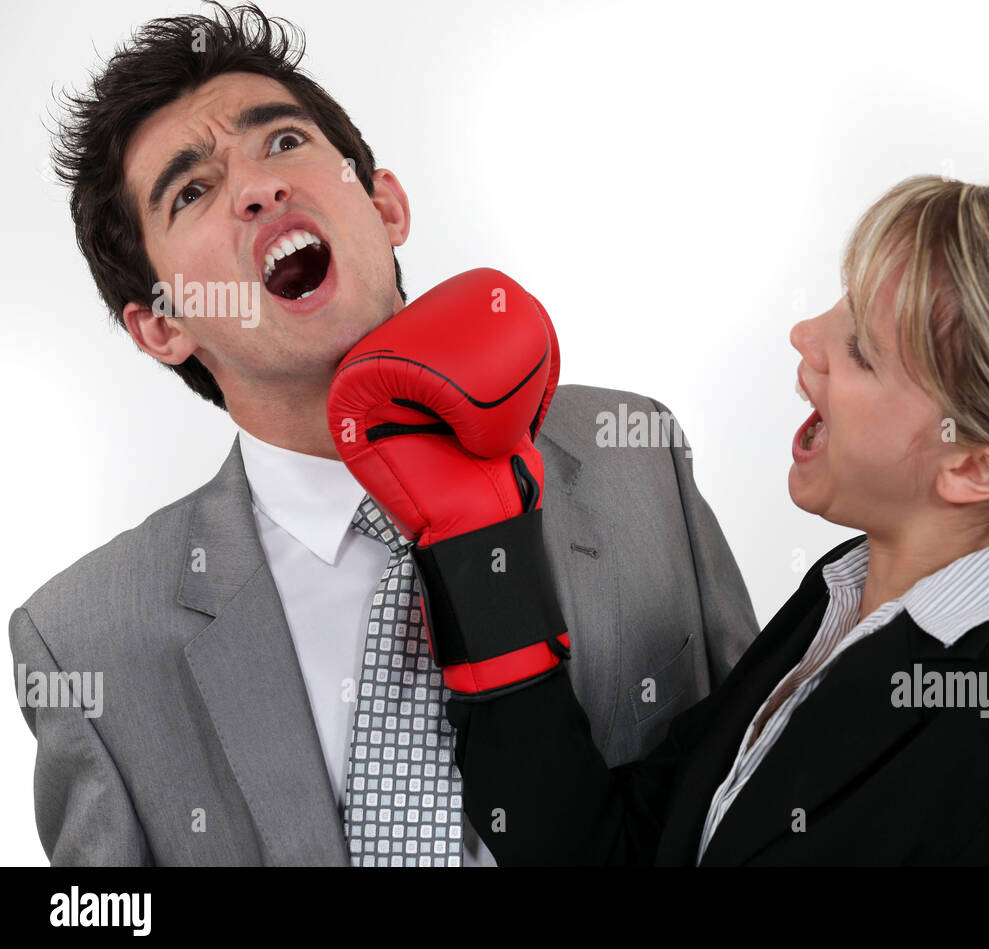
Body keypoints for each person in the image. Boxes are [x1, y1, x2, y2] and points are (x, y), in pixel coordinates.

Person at [8, 3, 758, 866]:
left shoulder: (636, 458)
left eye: (283, 142)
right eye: (193, 191)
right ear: (162, 328)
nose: (260, 187)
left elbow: (763, 784)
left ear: (386, 205)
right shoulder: (86, 640)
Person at [384, 174, 989, 865]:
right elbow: (608, 850)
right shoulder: (837, 602)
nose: (804, 336)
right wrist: (481, 550)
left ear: (973, 468)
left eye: (861, 352)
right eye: (839, 309)